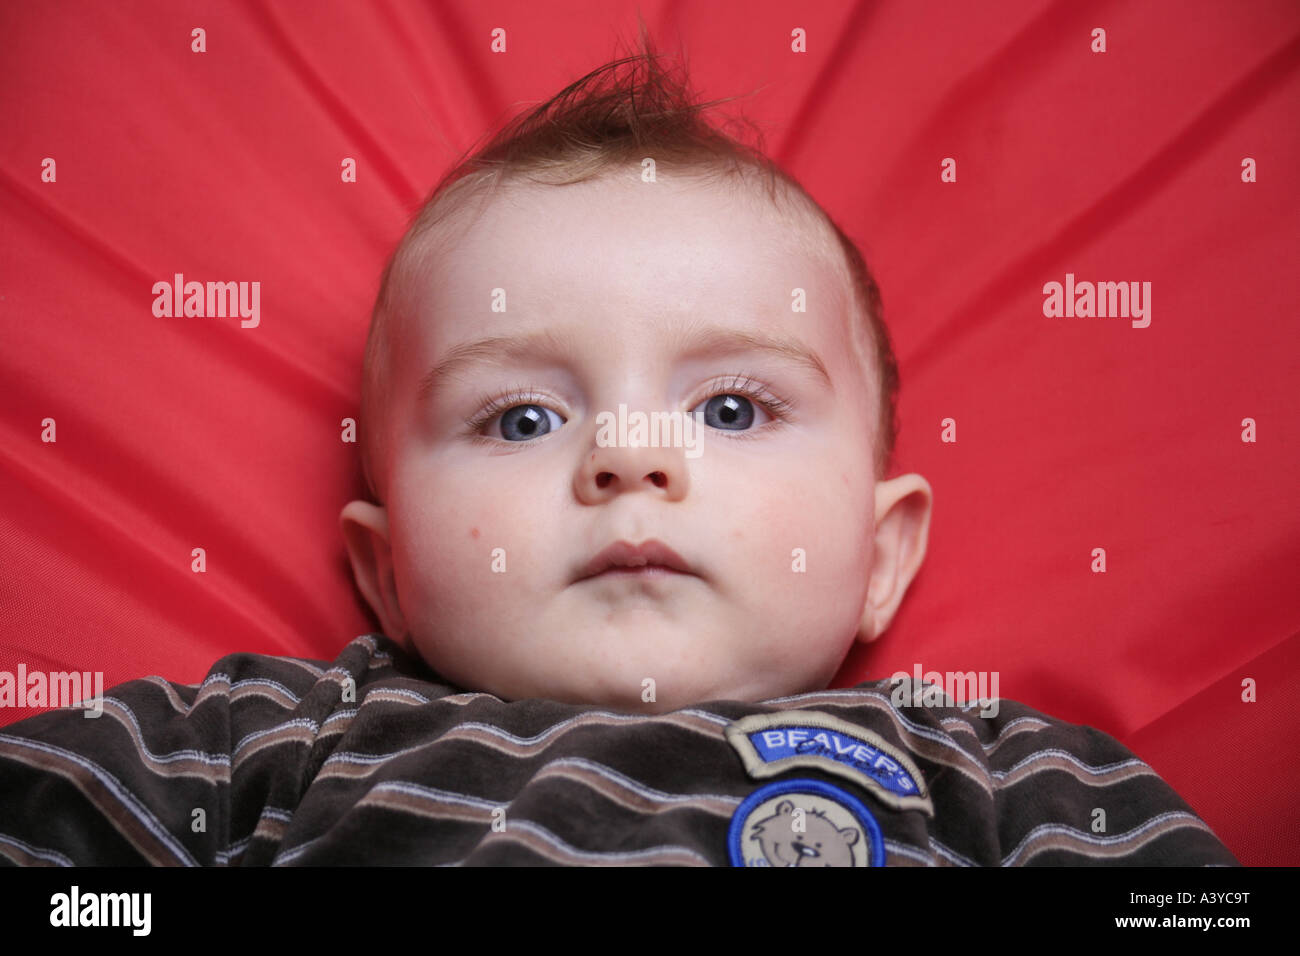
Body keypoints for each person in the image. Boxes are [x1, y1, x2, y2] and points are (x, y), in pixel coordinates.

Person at [0, 43, 1237, 867]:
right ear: (388, 573)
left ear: (879, 551)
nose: (632, 455)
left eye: (734, 409)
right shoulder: (270, 736)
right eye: (524, 419)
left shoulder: (999, 771)